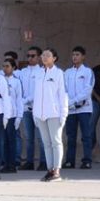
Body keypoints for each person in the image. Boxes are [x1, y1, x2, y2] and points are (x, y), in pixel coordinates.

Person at [33, 48, 68, 182]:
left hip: (54, 113)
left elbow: (62, 95)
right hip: (40, 114)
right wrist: (35, 113)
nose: (45, 57)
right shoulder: (39, 73)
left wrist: (63, 114)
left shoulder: (59, 73)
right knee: (46, 143)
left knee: (56, 141)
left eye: (48, 55)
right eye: (43, 55)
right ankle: (49, 169)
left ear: (54, 58)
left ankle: (57, 170)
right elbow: (36, 94)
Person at [63, 46, 95, 170]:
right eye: (73, 54)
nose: (75, 57)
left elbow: (87, 90)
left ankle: (87, 160)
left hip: (84, 109)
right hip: (70, 109)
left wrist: (74, 100)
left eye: (77, 54)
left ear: (83, 56)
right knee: (70, 136)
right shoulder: (67, 72)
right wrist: (68, 102)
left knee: (86, 136)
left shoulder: (88, 72)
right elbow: (64, 89)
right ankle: (70, 161)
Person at [18, 46, 41, 171]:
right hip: (26, 109)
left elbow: (38, 91)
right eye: (28, 56)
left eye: (33, 56)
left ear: (38, 57)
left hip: (38, 108)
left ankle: (43, 162)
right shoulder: (23, 72)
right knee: (28, 137)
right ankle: (29, 162)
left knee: (41, 137)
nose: (30, 58)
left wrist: (25, 100)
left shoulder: (41, 71)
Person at [1, 57, 23, 174]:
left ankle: (12, 164)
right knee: (4, 140)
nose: (5, 68)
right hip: (2, 114)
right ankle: (5, 163)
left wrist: (19, 116)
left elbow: (19, 99)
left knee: (12, 140)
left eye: (7, 66)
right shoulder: (0, 80)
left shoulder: (17, 81)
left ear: (13, 68)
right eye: (3, 66)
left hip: (12, 115)